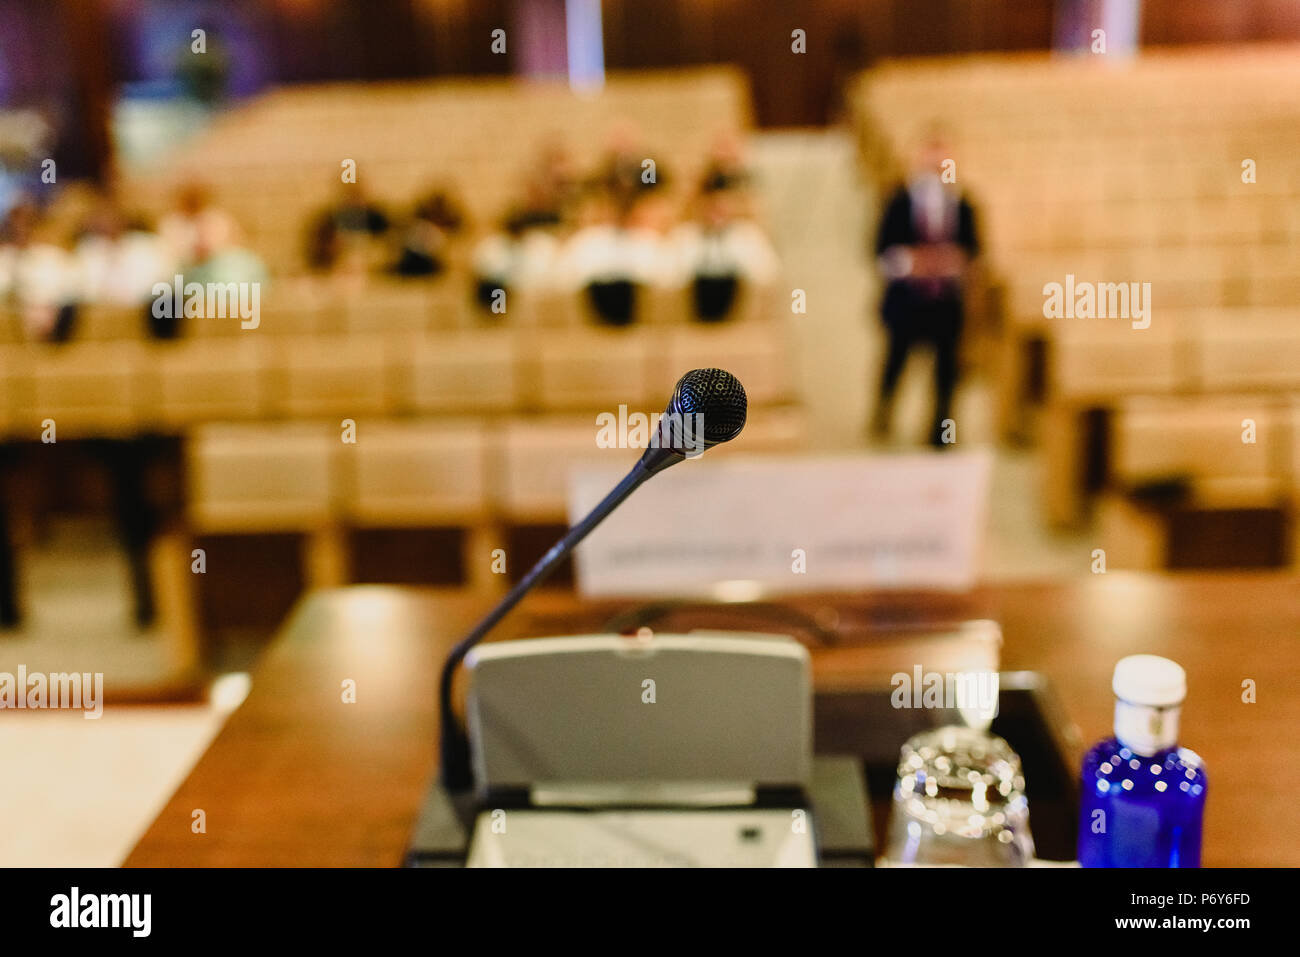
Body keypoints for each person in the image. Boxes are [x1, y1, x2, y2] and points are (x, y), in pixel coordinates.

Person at [871, 128, 980, 448]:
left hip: (946, 300)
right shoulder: (898, 200)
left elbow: (973, 250)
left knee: (947, 370)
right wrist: (913, 263)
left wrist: (951, 262)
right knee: (896, 360)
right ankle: (884, 410)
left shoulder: (964, 203)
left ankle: (940, 429)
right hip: (907, 298)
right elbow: (880, 250)